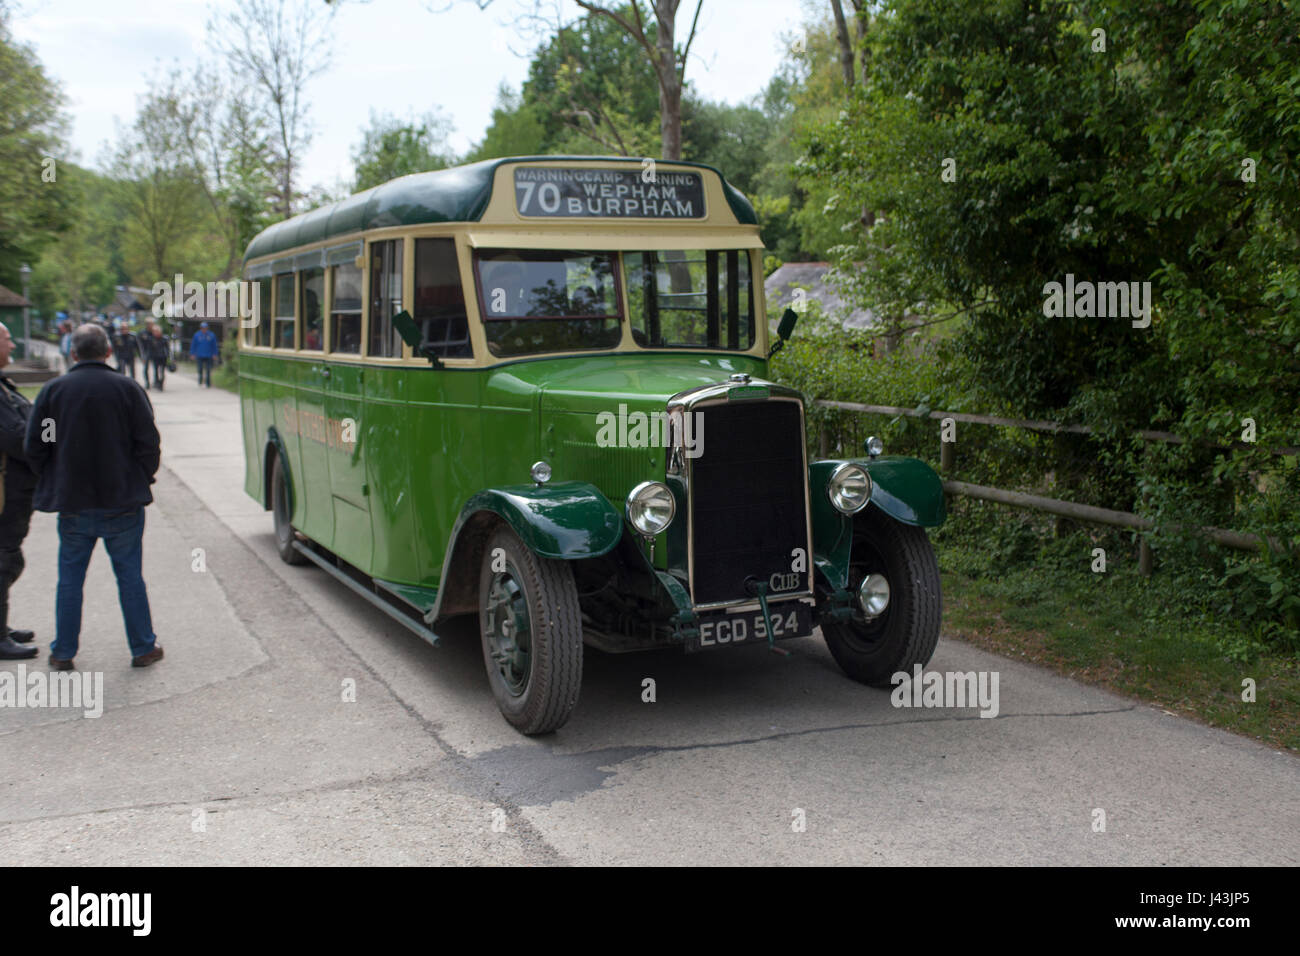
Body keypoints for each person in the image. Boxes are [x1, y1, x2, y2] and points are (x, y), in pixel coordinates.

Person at [24, 324, 163, 670]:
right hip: (122, 498)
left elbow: (40, 443)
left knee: (70, 578)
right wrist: (141, 476)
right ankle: (143, 647)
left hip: (73, 500)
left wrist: (54, 476)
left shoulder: (54, 393)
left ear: (73, 353)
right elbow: (147, 442)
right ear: (108, 352)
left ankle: (63, 651)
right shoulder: (127, 390)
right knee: (130, 575)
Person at [0, 323, 39, 660]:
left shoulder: (3, 385)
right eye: (7, 339)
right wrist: (48, 435)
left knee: (8, 556)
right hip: (5, 493)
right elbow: (19, 440)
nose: (12, 345)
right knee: (5, 559)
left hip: (13, 490)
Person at [190, 321, 218, 387]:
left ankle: (208, 383)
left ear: (207, 328)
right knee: (200, 368)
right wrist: (192, 354)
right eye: (202, 328)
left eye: (205, 328)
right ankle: (200, 379)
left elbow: (214, 345)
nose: (204, 329)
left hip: (209, 355)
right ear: (201, 328)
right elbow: (193, 345)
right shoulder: (197, 335)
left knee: (208, 369)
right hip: (199, 355)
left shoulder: (211, 335)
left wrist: (215, 354)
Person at [142, 323, 169, 390]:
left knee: (162, 371)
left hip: (163, 357)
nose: (155, 333)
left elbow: (167, 349)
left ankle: (161, 383)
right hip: (155, 357)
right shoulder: (150, 339)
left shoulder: (164, 339)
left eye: (157, 331)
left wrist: (169, 357)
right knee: (156, 371)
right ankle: (157, 382)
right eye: (154, 331)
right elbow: (149, 349)